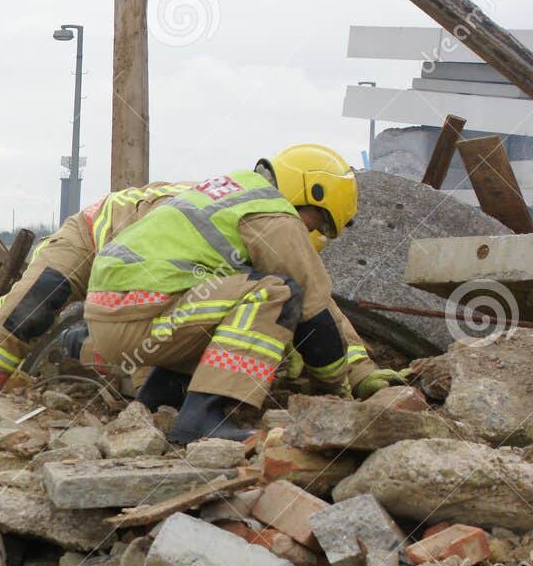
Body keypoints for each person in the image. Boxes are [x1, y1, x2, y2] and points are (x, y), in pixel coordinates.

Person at [79, 145, 404, 446]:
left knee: (227, 299)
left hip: (113, 314)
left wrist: (360, 367)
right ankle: (203, 416)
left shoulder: (232, 193)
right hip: (145, 314)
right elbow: (315, 312)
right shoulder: (275, 217)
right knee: (278, 293)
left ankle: (161, 400)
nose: (311, 233)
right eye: (319, 221)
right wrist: (338, 387)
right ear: (310, 193)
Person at [0, 180, 197, 431]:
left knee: (163, 322)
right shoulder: (194, 215)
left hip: (144, 261)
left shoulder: (223, 224)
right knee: (30, 309)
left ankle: (78, 346)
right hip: (88, 239)